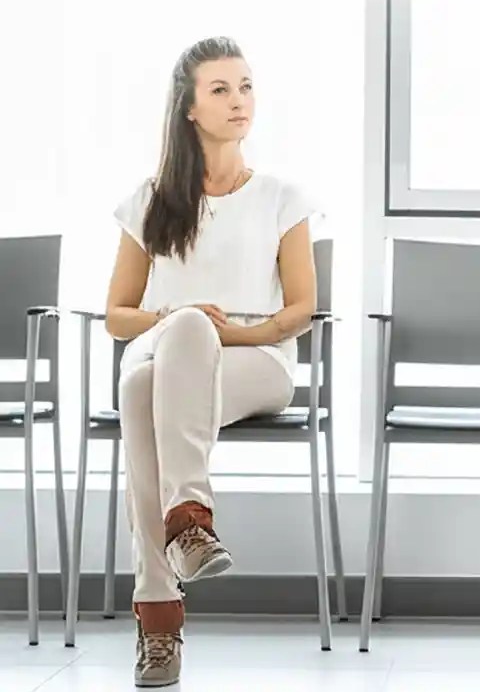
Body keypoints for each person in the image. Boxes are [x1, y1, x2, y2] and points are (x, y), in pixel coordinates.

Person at [104, 37, 318, 688]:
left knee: (152, 383)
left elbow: (302, 309)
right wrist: (181, 323)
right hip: (166, 361)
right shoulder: (150, 199)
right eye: (221, 90)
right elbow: (117, 314)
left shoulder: (282, 196)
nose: (238, 101)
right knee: (145, 387)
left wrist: (223, 335)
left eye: (246, 86)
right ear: (189, 108)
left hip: (256, 367)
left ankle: (159, 613)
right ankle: (189, 528)